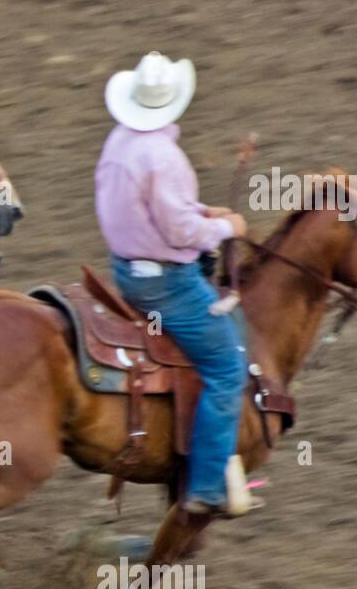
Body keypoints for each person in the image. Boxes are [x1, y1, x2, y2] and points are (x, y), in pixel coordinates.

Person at [94, 51, 255, 517]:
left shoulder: (120, 141)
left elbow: (159, 209)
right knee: (227, 366)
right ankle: (206, 486)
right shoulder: (165, 157)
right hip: (165, 284)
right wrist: (229, 229)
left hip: (125, 268)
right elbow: (181, 233)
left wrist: (205, 212)